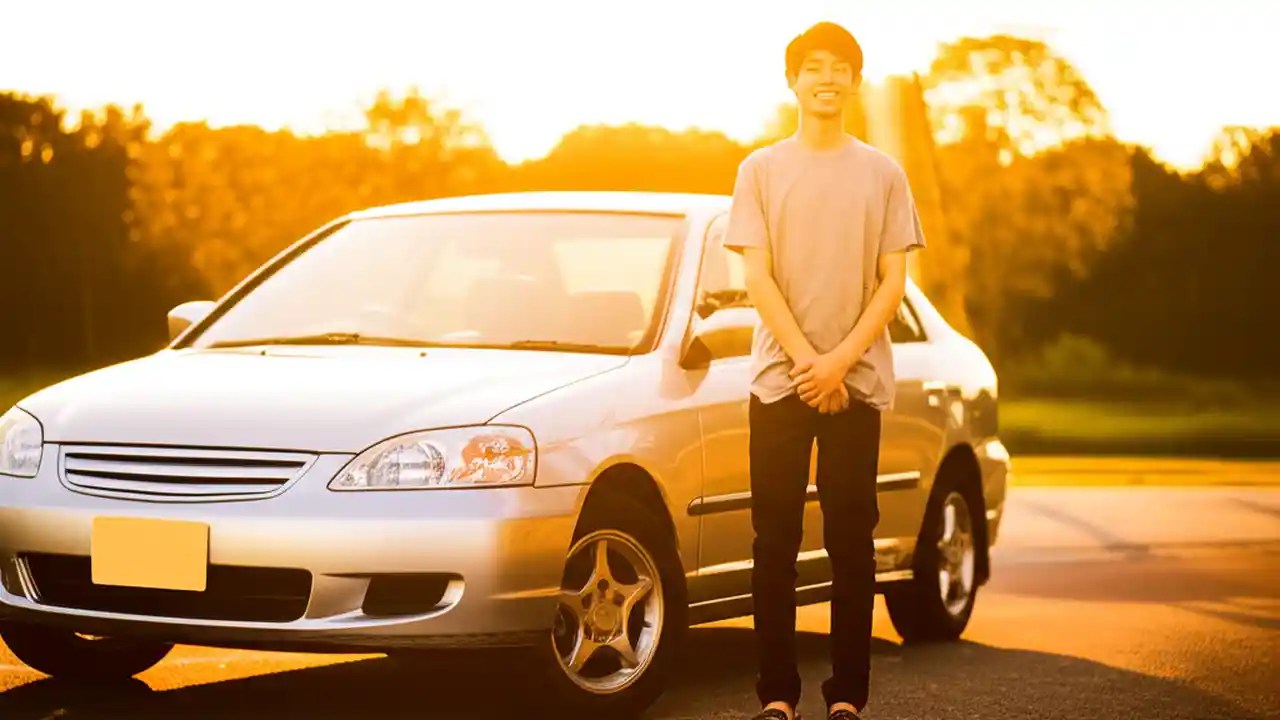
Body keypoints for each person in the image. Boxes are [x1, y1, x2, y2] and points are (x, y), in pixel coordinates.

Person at [722, 20, 928, 720]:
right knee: (774, 545)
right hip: (778, 385)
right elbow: (757, 279)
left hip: (856, 386)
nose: (827, 78)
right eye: (813, 67)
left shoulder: (883, 174)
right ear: (792, 80)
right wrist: (810, 364)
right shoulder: (759, 170)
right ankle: (778, 695)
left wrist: (839, 363)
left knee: (851, 545)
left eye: (840, 67)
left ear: (856, 81)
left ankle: (848, 698)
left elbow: (893, 283)